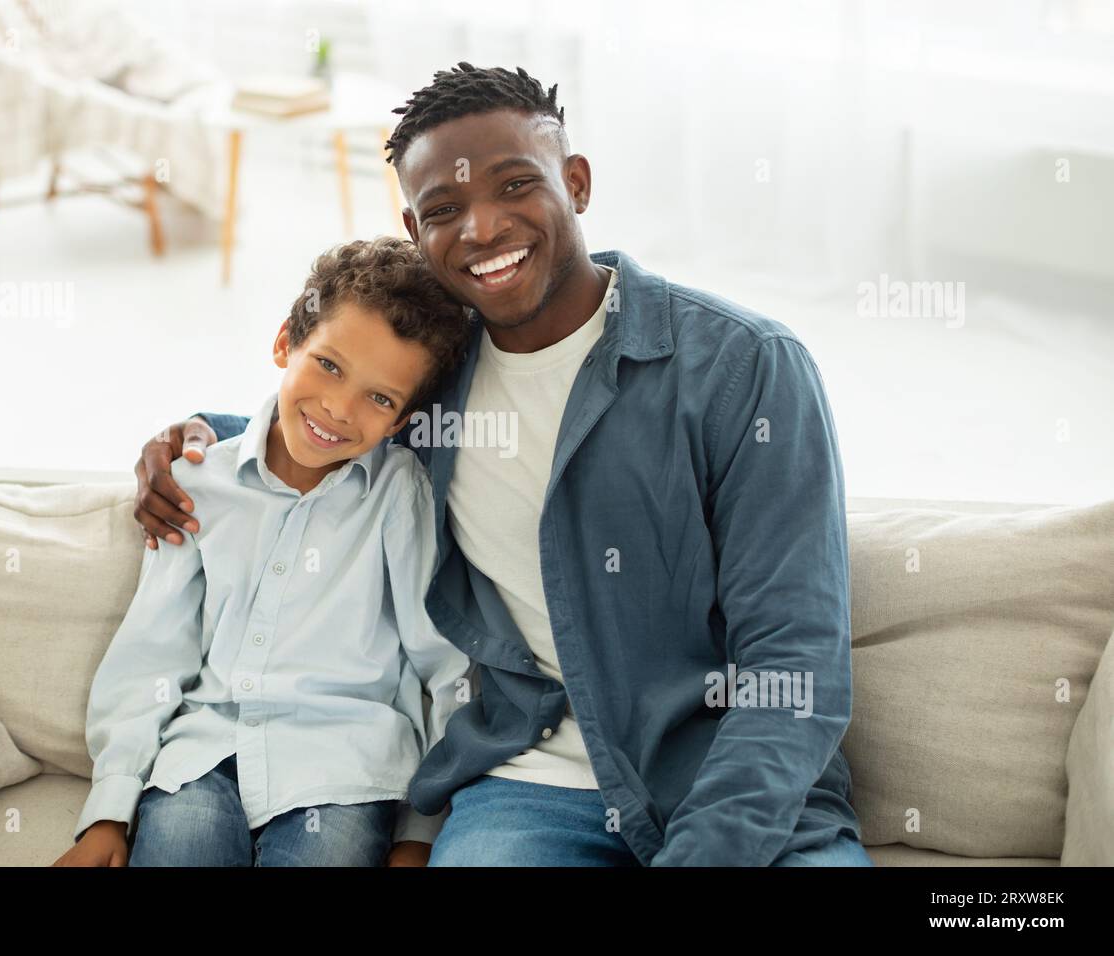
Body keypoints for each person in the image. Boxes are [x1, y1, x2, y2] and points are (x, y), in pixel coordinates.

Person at [133, 64, 871, 867]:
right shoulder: (430, 384)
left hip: (732, 790)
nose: (481, 229)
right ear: (417, 232)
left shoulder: (744, 368)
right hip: (528, 790)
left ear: (577, 184)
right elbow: (328, 428)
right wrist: (197, 440)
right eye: (444, 210)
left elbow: (794, 662)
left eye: (515, 185)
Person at [54, 237, 474, 867]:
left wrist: (420, 832)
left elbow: (442, 667)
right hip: (200, 758)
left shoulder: (401, 498)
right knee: (179, 846)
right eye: (328, 365)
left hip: (342, 773)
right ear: (285, 343)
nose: (338, 407)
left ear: (400, 421)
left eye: (380, 398)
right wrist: (110, 811)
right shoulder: (196, 486)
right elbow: (150, 655)